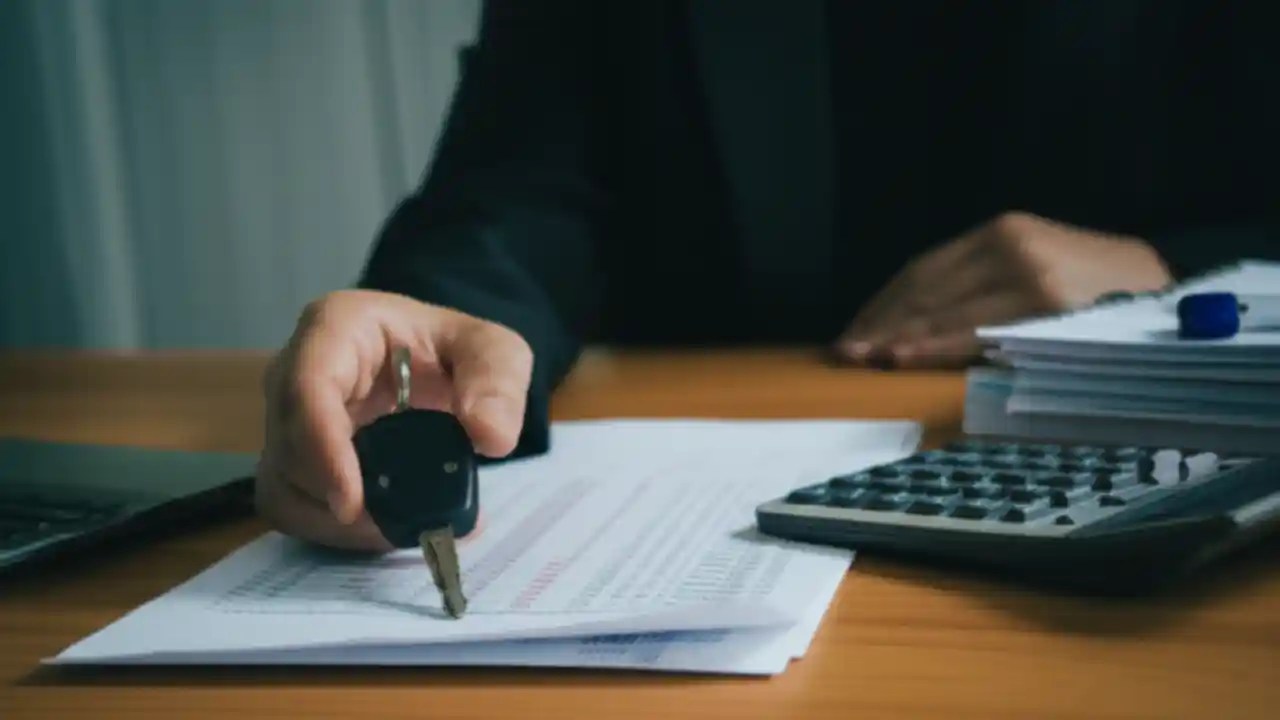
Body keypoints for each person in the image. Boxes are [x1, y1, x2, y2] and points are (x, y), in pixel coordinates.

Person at [255, 1, 1278, 551]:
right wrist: (442, 325)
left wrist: (1175, 271)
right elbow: (520, 183)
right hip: (722, 479)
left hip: (1156, 497)